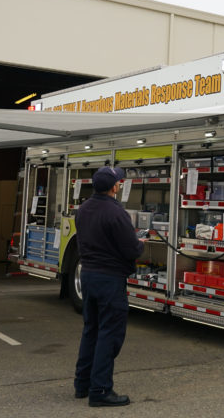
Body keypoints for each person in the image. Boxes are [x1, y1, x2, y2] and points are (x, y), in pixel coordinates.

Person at [73, 166, 144, 407]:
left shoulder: (83, 209)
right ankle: (101, 389)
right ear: (114, 186)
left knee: (91, 329)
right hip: (110, 279)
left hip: (89, 275)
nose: (120, 184)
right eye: (119, 181)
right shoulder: (116, 212)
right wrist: (140, 243)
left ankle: (82, 384)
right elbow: (131, 249)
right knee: (109, 333)